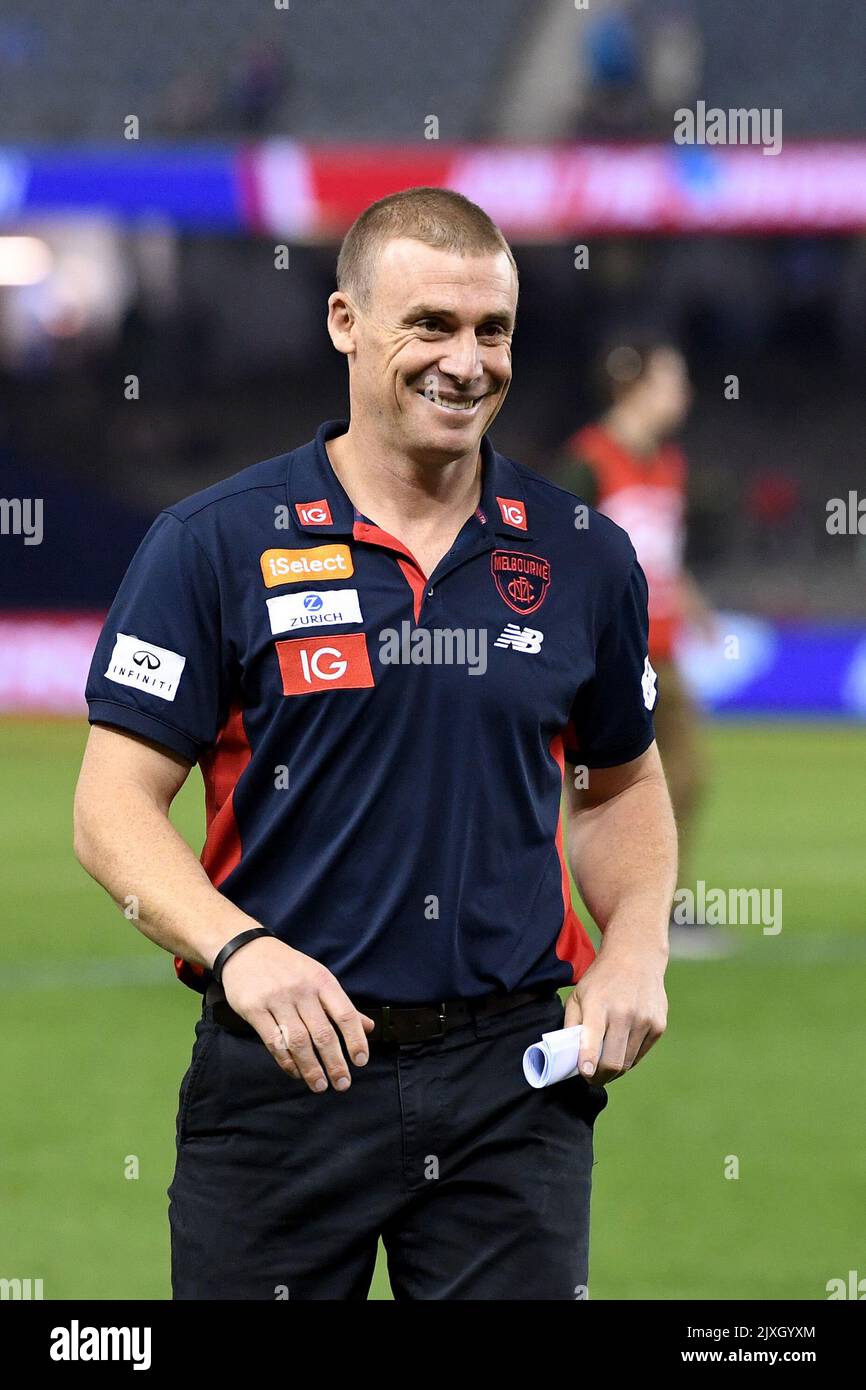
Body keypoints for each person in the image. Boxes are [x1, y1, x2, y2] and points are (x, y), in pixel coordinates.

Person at [73, 188, 677, 1301]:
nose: (465, 361)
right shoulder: (211, 544)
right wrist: (240, 949)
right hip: (282, 1081)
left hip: (511, 1085)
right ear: (345, 322)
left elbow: (619, 783)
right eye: (430, 325)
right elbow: (111, 807)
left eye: (490, 329)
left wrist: (636, 939)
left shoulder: (583, 557)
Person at [557, 333, 732, 958]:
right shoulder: (588, 464)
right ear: (635, 386)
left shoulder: (669, 464)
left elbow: (660, 557)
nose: (682, 394)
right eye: (672, 379)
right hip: (612, 655)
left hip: (665, 651)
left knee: (685, 776)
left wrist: (697, 607)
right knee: (602, 787)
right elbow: (558, 560)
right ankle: (624, 913)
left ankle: (660, 907)